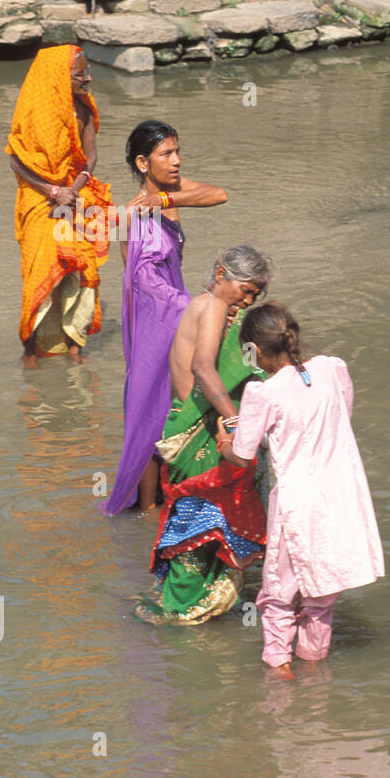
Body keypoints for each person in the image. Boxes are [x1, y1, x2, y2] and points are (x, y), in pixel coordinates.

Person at [216, 304, 384, 676]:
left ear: (256, 352)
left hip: (298, 503)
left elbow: (243, 456)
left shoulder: (263, 393)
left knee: (278, 593)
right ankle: (313, 674)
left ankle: (279, 669)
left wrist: (223, 440)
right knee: (321, 594)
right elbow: (342, 416)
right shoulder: (331, 369)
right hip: (342, 496)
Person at [134, 246, 271, 626]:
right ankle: (185, 610)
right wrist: (236, 420)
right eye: (244, 290)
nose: (246, 301)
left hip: (194, 424)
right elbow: (204, 370)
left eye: (254, 297)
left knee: (205, 521)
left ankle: (193, 608)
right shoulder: (210, 306)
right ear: (221, 274)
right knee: (204, 518)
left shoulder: (207, 308)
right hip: (201, 428)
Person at [100, 121, 229, 514]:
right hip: (157, 318)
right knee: (152, 406)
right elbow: (142, 281)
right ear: (143, 163)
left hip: (174, 310)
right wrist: (193, 308)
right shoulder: (135, 216)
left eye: (177, 152)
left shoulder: (167, 194)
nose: (176, 161)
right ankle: (149, 510)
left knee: (173, 404)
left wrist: (168, 202)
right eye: (166, 154)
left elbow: (219, 194)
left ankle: (170, 501)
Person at [6, 45, 113, 366]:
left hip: (72, 194)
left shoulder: (83, 108)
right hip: (39, 200)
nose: (89, 79)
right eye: (82, 74)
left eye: (87, 73)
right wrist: (53, 190)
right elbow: (15, 159)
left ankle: (75, 346)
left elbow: (90, 158)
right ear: (59, 78)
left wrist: (72, 190)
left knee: (80, 270)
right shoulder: (35, 110)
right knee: (41, 272)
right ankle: (30, 350)